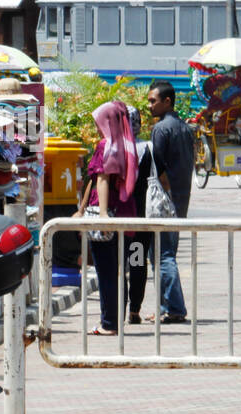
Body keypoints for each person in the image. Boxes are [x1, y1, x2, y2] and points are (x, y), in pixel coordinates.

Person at [75, 101, 139, 335]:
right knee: (119, 269)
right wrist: (81, 209)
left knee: (106, 272)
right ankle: (115, 320)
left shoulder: (106, 145)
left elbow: (101, 179)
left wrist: (101, 214)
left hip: (107, 212)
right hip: (124, 212)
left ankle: (109, 323)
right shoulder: (127, 144)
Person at [146, 80, 194, 324]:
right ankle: (167, 305)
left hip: (164, 203)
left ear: (167, 101)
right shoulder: (185, 128)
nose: (149, 105)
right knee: (166, 254)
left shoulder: (161, 129)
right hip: (180, 201)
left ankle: (173, 307)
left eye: (153, 100)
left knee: (163, 256)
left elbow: (159, 168)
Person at [124, 103, 155, 324]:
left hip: (118, 215)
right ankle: (134, 309)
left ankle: (116, 308)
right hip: (142, 215)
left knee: (117, 263)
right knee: (137, 260)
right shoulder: (150, 148)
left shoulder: (112, 148)